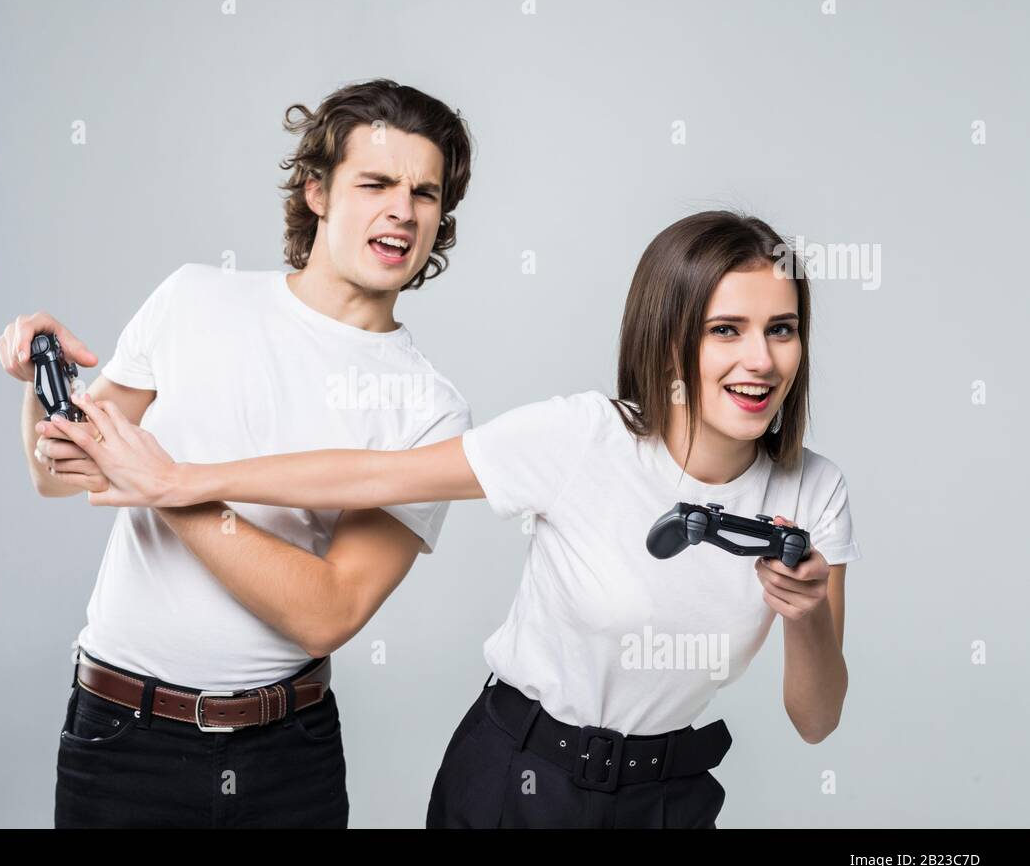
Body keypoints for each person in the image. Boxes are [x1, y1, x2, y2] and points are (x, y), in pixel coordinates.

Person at [49, 210, 863, 828]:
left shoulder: (813, 495)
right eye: (727, 330)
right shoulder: (584, 436)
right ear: (670, 339)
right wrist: (180, 479)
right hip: (519, 777)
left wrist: (807, 618)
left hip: (667, 793)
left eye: (781, 330)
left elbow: (818, 720)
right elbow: (374, 474)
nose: (760, 360)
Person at [0, 79, 475, 827]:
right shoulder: (194, 298)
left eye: (424, 192)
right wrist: (43, 381)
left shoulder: (429, 407)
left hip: (285, 754)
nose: (402, 211)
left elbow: (329, 611)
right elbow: (57, 472)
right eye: (375, 183)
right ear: (316, 190)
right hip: (119, 735)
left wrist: (168, 487)